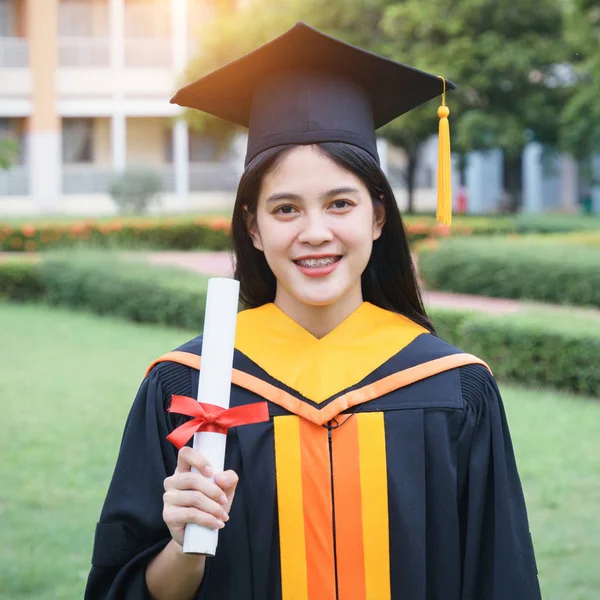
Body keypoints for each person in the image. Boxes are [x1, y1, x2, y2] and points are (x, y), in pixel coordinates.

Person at [85, 22, 541, 600]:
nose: (315, 232)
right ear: (252, 227)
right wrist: (183, 546)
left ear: (378, 218)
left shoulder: (455, 390)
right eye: (285, 209)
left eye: (340, 203)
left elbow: (500, 579)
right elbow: (122, 590)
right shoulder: (187, 388)